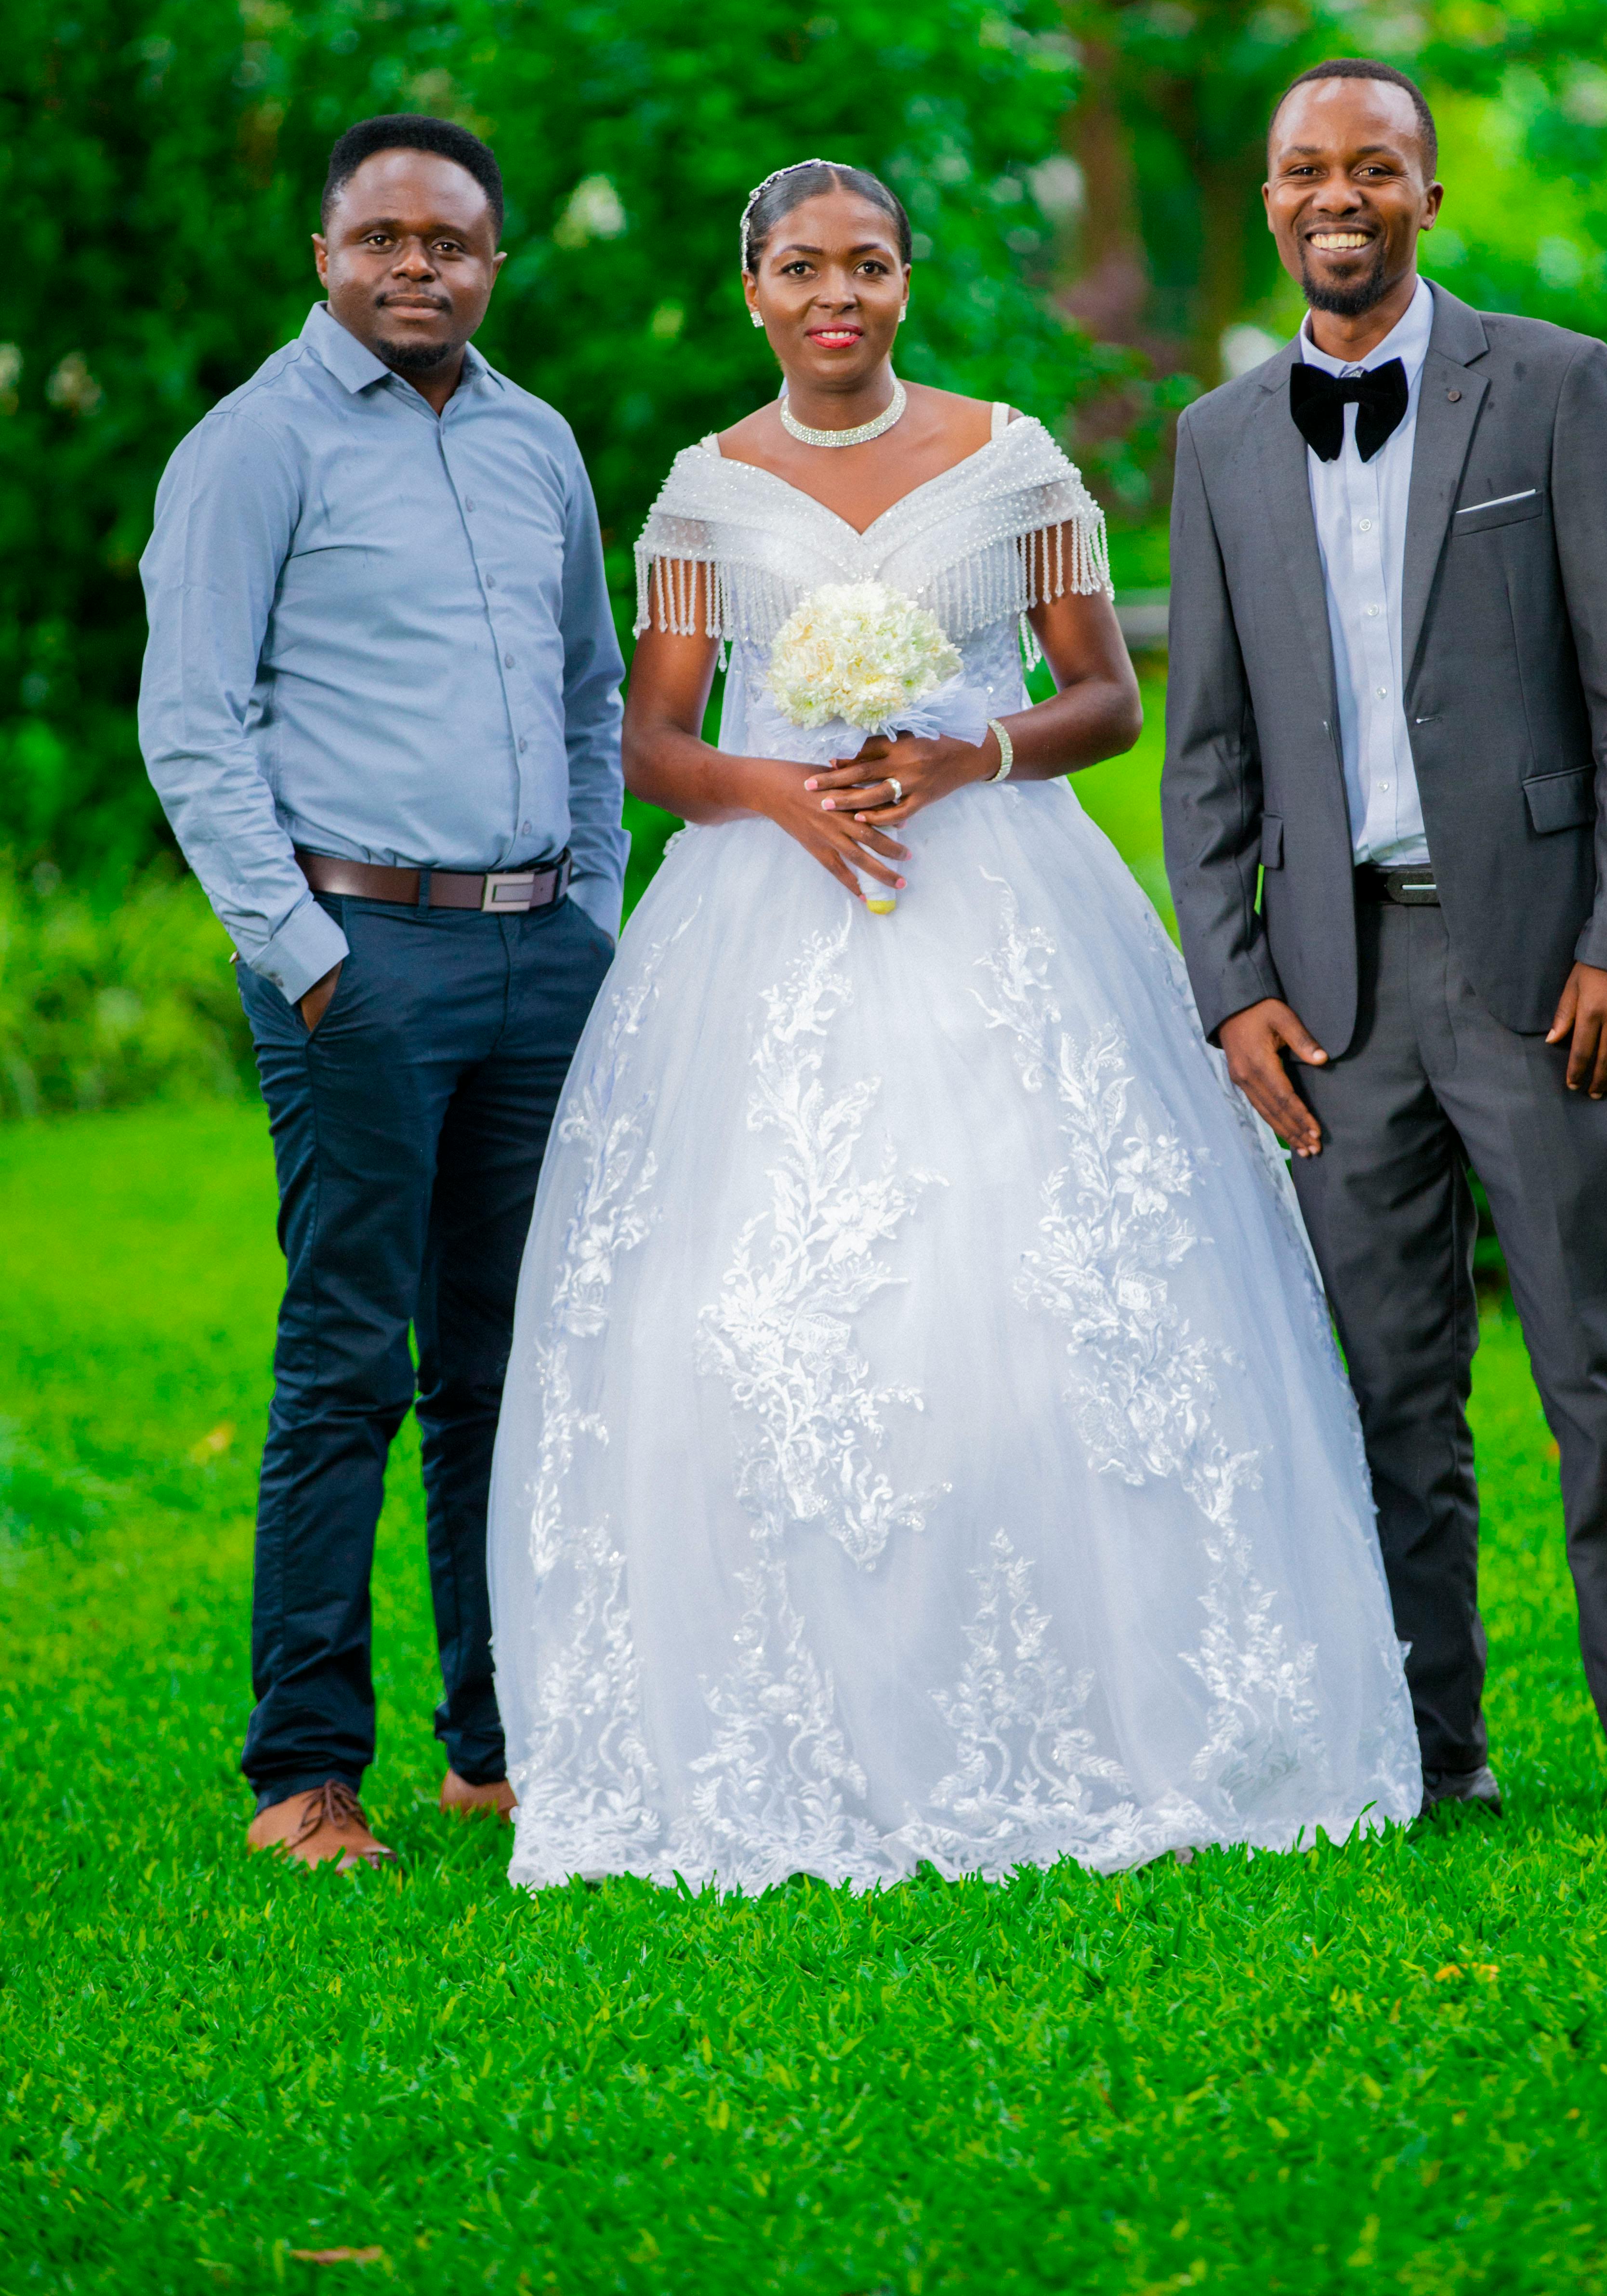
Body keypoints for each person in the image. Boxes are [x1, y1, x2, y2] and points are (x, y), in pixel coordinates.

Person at [487, 158, 1420, 1891]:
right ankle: (803, 1722)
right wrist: (787, 790)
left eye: (867, 265)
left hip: (1001, 899)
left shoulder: (1014, 463)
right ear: (751, 290)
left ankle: (1096, 1707)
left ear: (907, 281)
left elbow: (1103, 701)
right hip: (768, 921)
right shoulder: (703, 494)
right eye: (798, 268)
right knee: (760, 1310)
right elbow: (658, 749)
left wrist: (958, 752)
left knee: (1048, 1298)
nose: (835, 295)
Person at [1163, 59, 1607, 1825]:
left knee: (1591, 1372)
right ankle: (1435, 1750)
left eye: (1376, 169)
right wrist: (1236, 989)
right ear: (1269, 202)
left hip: (1544, 970)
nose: (1340, 196)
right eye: (1306, 172)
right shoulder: (1219, 440)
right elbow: (1211, 755)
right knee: (1388, 1395)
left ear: (1427, 194)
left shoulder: (1553, 386)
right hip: (1334, 993)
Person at [139, 114, 626, 1871]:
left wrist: (593, 907)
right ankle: (302, 1774)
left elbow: (591, 695)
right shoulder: (251, 448)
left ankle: (495, 1750)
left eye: (453, 243)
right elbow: (191, 722)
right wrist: (308, 953)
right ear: (325, 256)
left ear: (495, 262)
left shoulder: (538, 445)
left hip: (536, 957)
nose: (418, 267)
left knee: (510, 1367)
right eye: (385, 240)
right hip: (359, 960)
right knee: (350, 1358)